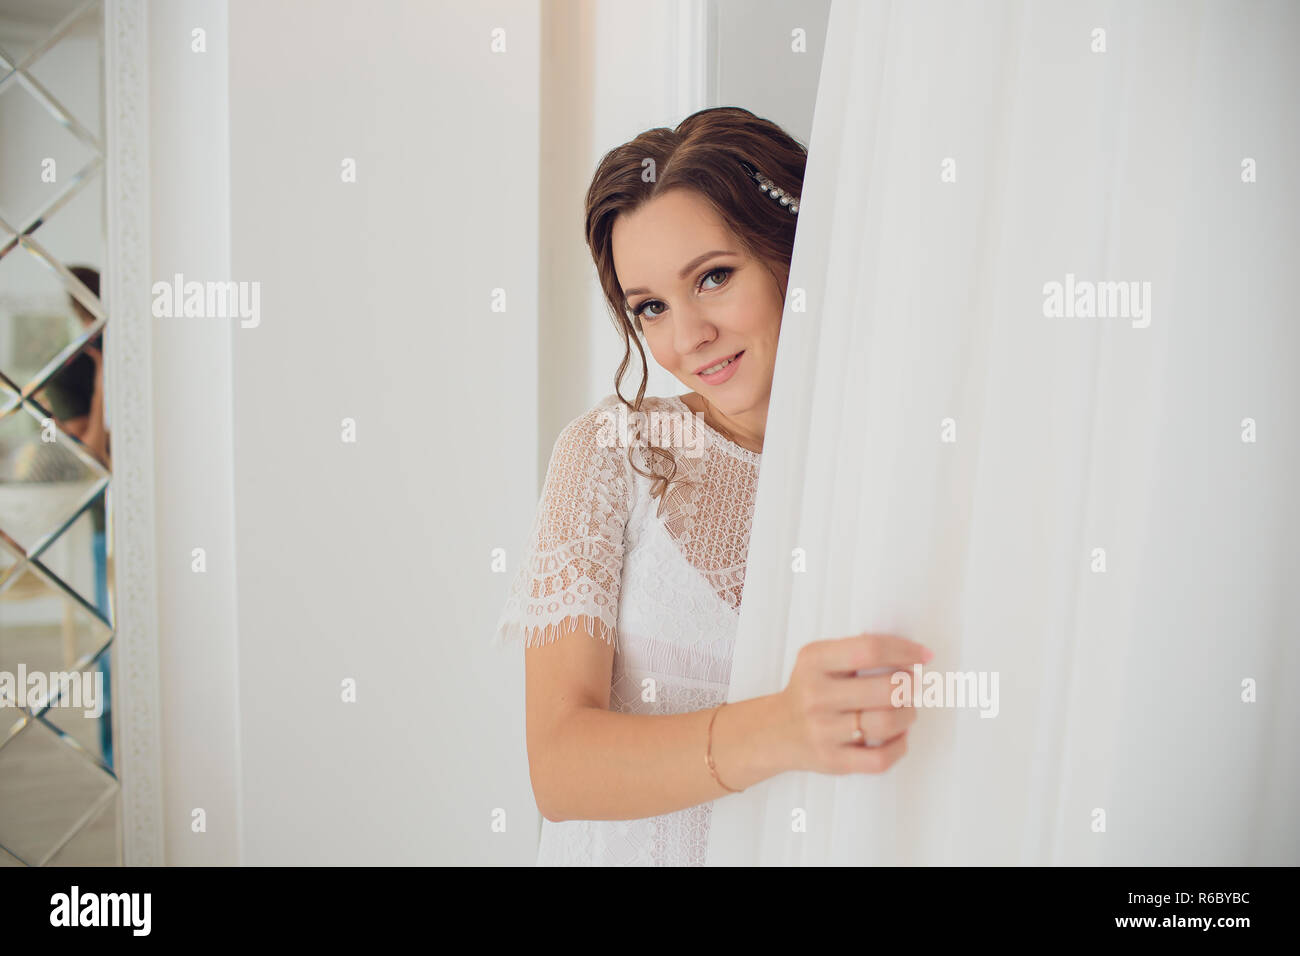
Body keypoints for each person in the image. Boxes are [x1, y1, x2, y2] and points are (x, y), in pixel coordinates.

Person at [494, 107, 931, 865]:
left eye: (715, 277)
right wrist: (781, 727)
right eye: (651, 308)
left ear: (796, 256)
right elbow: (558, 766)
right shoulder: (614, 454)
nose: (687, 336)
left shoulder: (892, 465)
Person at [33, 264, 113, 769]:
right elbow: (93, 457)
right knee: (113, 642)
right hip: (109, 522)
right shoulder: (70, 371)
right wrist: (104, 382)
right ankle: (113, 754)